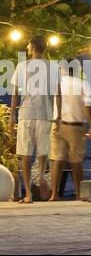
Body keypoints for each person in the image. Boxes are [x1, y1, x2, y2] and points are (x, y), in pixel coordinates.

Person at [13, 37, 53, 203]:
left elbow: (15, 92)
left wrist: (11, 118)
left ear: (33, 47)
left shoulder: (22, 66)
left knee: (25, 154)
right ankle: (41, 178)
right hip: (45, 114)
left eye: (28, 44)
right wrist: (57, 116)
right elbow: (57, 94)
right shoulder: (53, 67)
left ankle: (28, 193)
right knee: (43, 152)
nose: (27, 46)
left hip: (26, 113)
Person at [49, 60, 91, 201]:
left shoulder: (56, 84)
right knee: (76, 162)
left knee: (57, 160)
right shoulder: (83, 84)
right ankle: (79, 194)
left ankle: (54, 194)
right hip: (75, 126)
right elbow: (88, 107)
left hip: (57, 125)